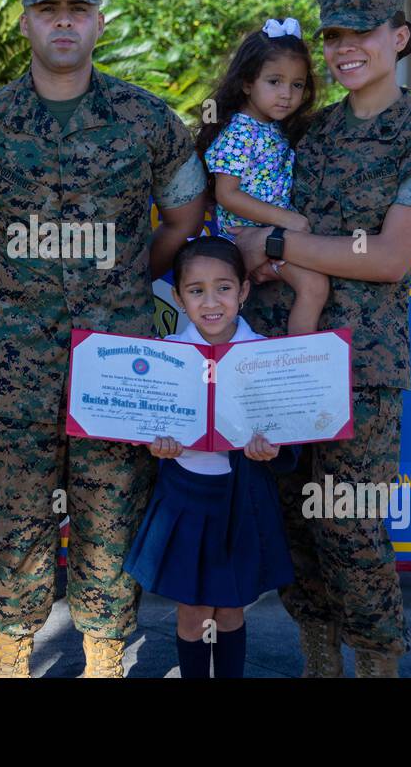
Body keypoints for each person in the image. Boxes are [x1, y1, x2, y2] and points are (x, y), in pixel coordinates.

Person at [0, 0, 207, 677]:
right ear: (25, 21)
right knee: (16, 513)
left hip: (117, 364)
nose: (62, 23)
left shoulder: (147, 121)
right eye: (47, 9)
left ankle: (104, 653)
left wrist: (117, 281)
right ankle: (14, 651)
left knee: (110, 511)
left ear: (98, 22)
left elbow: (181, 219)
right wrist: (8, 286)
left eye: (76, 9)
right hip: (11, 363)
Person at [230, 0, 411, 678]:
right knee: (295, 523)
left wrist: (272, 246)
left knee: (352, 526)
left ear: (398, 36)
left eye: (362, 32)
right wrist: (268, 255)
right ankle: (319, 660)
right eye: (333, 34)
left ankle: (378, 665)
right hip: (283, 355)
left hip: (361, 365)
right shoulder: (311, 131)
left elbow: (391, 256)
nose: (344, 48)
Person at [123, 236, 298, 678]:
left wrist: (271, 450)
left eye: (223, 287)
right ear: (180, 298)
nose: (211, 301)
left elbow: (288, 443)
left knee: (232, 610)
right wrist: (155, 445)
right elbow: (147, 428)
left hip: (241, 498)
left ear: (243, 291)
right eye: (196, 290)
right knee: (194, 612)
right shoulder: (165, 358)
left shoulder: (265, 357)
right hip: (184, 495)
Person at [197, 17, 328, 335]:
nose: (287, 94)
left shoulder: (273, 128)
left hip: (269, 236)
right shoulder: (240, 131)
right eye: (274, 82)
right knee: (313, 285)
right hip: (244, 238)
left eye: (297, 85)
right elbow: (227, 194)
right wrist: (287, 220)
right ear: (247, 83)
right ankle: (302, 363)